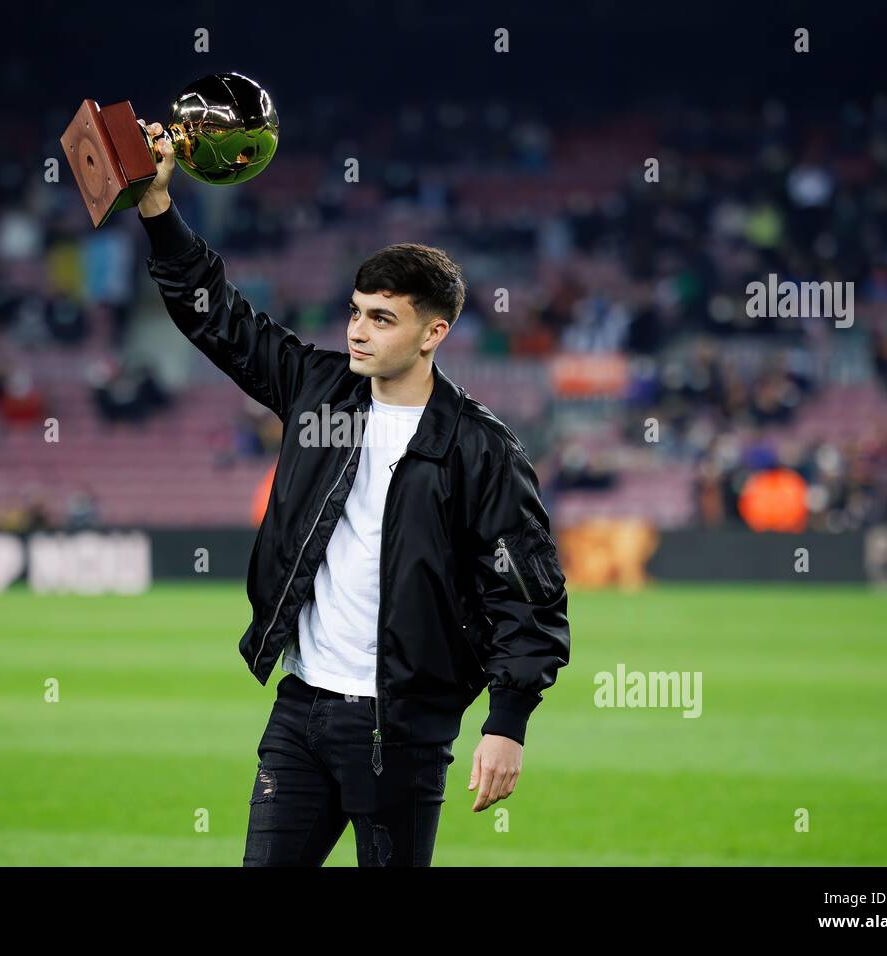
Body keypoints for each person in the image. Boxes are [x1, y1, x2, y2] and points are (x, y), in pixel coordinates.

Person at [137, 121, 570, 867]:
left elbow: (527, 596)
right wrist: (155, 208)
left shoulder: (478, 445)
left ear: (434, 332)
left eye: (381, 318)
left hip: (399, 730)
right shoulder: (318, 390)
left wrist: (509, 722)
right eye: (354, 311)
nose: (357, 332)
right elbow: (218, 318)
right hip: (300, 710)